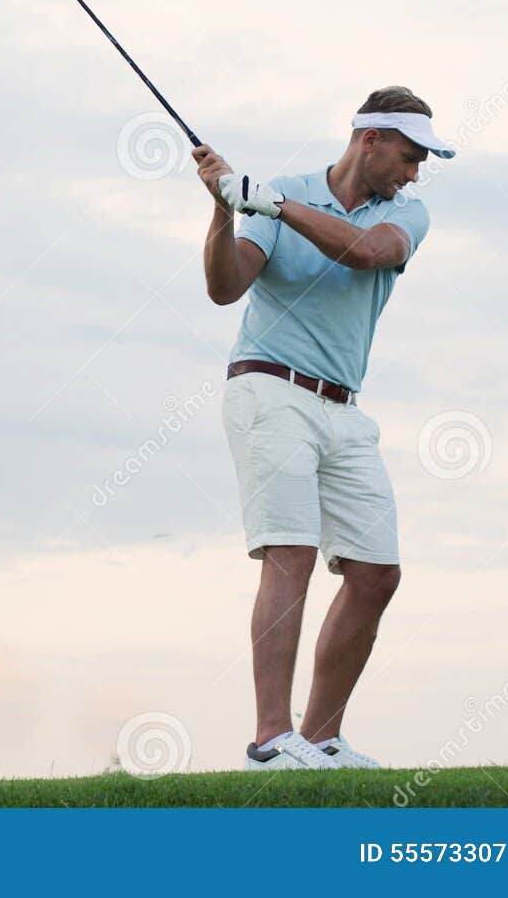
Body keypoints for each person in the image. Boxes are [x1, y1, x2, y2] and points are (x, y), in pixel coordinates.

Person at [191, 85, 455, 771]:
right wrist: (224, 212)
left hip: (344, 408)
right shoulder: (279, 193)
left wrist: (272, 204)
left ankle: (322, 736)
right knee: (291, 553)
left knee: (377, 573)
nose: (415, 171)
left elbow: (368, 251)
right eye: (408, 154)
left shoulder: (407, 214)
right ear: (370, 139)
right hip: (268, 386)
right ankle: (271, 740)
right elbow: (226, 286)